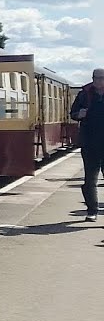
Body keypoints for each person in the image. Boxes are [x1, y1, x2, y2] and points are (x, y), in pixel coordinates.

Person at [70, 68, 104, 221]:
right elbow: (73, 113)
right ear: (93, 78)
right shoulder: (84, 94)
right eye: (96, 78)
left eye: (102, 78)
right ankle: (92, 210)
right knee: (90, 179)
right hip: (89, 143)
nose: (99, 81)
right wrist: (79, 114)